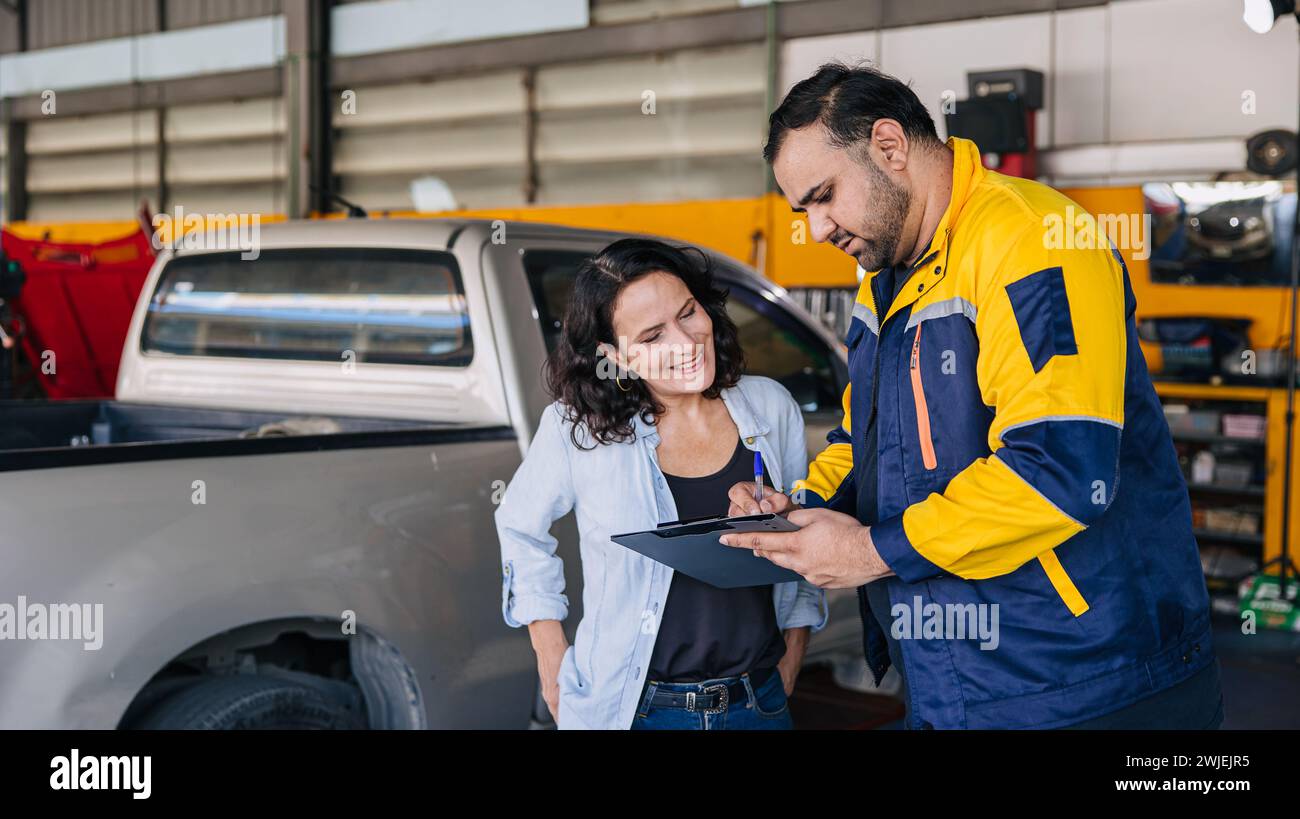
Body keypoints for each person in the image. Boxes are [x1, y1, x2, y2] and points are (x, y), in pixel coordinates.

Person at [722, 62, 1223, 730]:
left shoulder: (1033, 243)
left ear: (891, 147)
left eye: (824, 195)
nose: (815, 228)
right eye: (801, 209)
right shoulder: (883, 284)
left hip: (1086, 679)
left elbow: (1060, 469)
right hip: (955, 677)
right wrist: (796, 508)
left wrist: (872, 551)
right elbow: (862, 444)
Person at [496, 238, 828, 730]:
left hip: (756, 704)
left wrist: (794, 650)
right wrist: (551, 659)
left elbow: (802, 533)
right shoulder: (577, 428)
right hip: (633, 709)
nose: (685, 342)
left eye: (688, 313)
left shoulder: (770, 407)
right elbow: (520, 528)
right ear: (616, 355)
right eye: (652, 337)